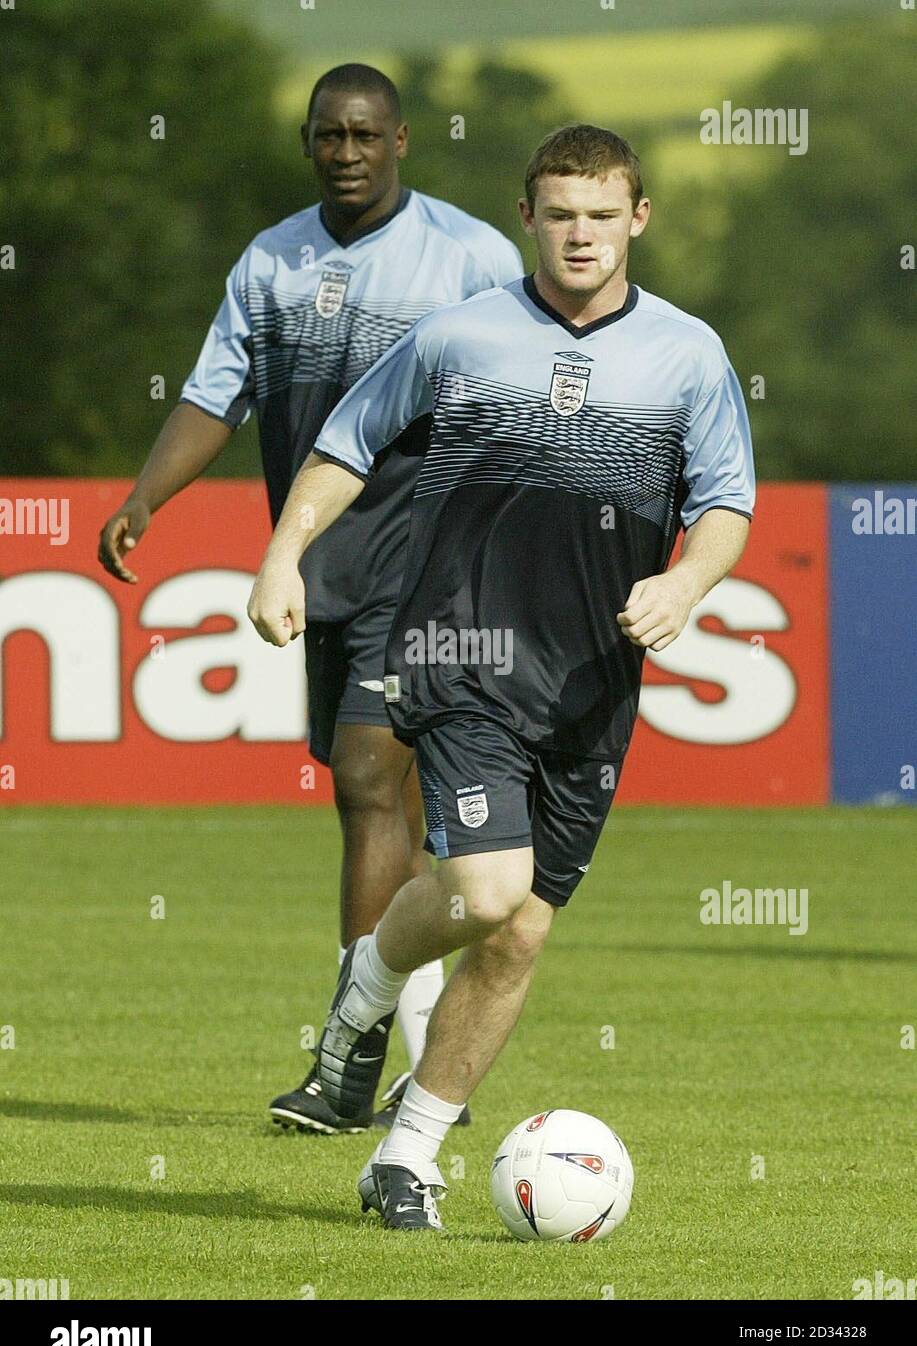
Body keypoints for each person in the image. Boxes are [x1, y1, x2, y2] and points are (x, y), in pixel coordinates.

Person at [247, 123, 755, 1228]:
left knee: (521, 926)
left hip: (587, 682)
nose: (580, 233)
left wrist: (683, 585)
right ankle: (370, 993)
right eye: (559, 213)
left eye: (600, 213)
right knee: (483, 887)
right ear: (527, 218)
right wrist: (284, 553)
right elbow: (343, 444)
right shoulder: (458, 336)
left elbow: (723, 504)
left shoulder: (686, 353)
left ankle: (406, 1156)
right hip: (455, 651)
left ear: (637, 218)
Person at [97, 64, 522, 1134]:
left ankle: (349, 1055)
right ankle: (427, 1065)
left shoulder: (472, 257)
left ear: (401, 141)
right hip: (319, 564)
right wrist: (145, 495)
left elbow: (524, 394)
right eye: (328, 136)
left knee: (366, 779)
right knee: (392, 801)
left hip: (433, 566)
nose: (346, 152)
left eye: (365, 135)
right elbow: (214, 393)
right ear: (307, 143)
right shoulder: (270, 262)